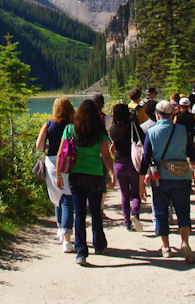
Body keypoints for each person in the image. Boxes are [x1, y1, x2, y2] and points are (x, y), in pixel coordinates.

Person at [57, 99, 115, 266]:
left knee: (79, 214)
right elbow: (105, 155)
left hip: (76, 176)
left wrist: (59, 175)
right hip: (96, 175)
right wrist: (111, 172)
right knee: (96, 211)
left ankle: (81, 252)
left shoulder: (70, 129)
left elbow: (61, 153)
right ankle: (99, 244)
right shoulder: (101, 132)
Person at [138, 100, 195, 263]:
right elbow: (192, 154)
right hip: (182, 176)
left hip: (159, 178)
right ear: (172, 114)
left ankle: (166, 247)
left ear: (157, 114)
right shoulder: (183, 130)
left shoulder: (152, 132)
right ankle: (185, 242)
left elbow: (145, 159)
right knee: (183, 210)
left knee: (161, 211)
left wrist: (141, 183)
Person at [35, 97, 76, 251]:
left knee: (56, 196)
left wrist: (49, 145)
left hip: (51, 162)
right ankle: (66, 237)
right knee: (67, 196)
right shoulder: (72, 125)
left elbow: (39, 145)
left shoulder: (48, 124)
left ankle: (60, 229)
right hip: (69, 162)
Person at [108, 103, 143, 232]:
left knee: (124, 194)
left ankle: (127, 222)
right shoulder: (133, 127)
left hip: (118, 164)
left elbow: (114, 146)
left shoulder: (113, 129)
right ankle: (135, 214)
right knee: (135, 192)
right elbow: (142, 140)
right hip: (133, 164)